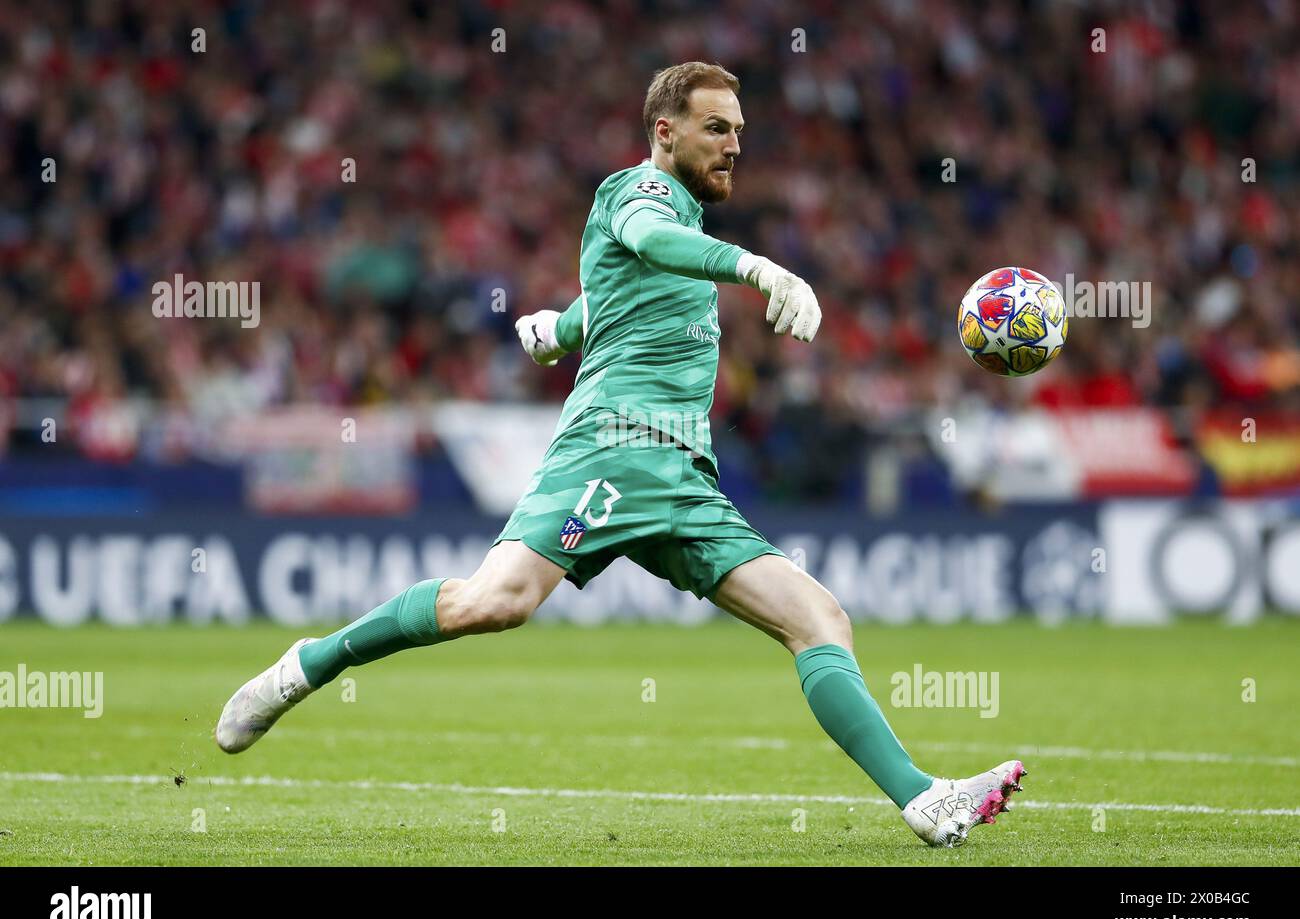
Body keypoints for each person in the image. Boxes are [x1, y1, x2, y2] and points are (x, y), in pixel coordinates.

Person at [216, 61, 1025, 848]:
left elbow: (623, 291)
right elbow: (649, 236)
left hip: (680, 477)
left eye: (739, 131)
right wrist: (760, 268)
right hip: (612, 450)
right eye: (716, 128)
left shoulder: (678, 222)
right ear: (665, 132)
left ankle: (923, 799)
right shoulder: (640, 193)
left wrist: (557, 330)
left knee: (819, 619)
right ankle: (306, 666)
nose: (734, 144)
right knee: (491, 605)